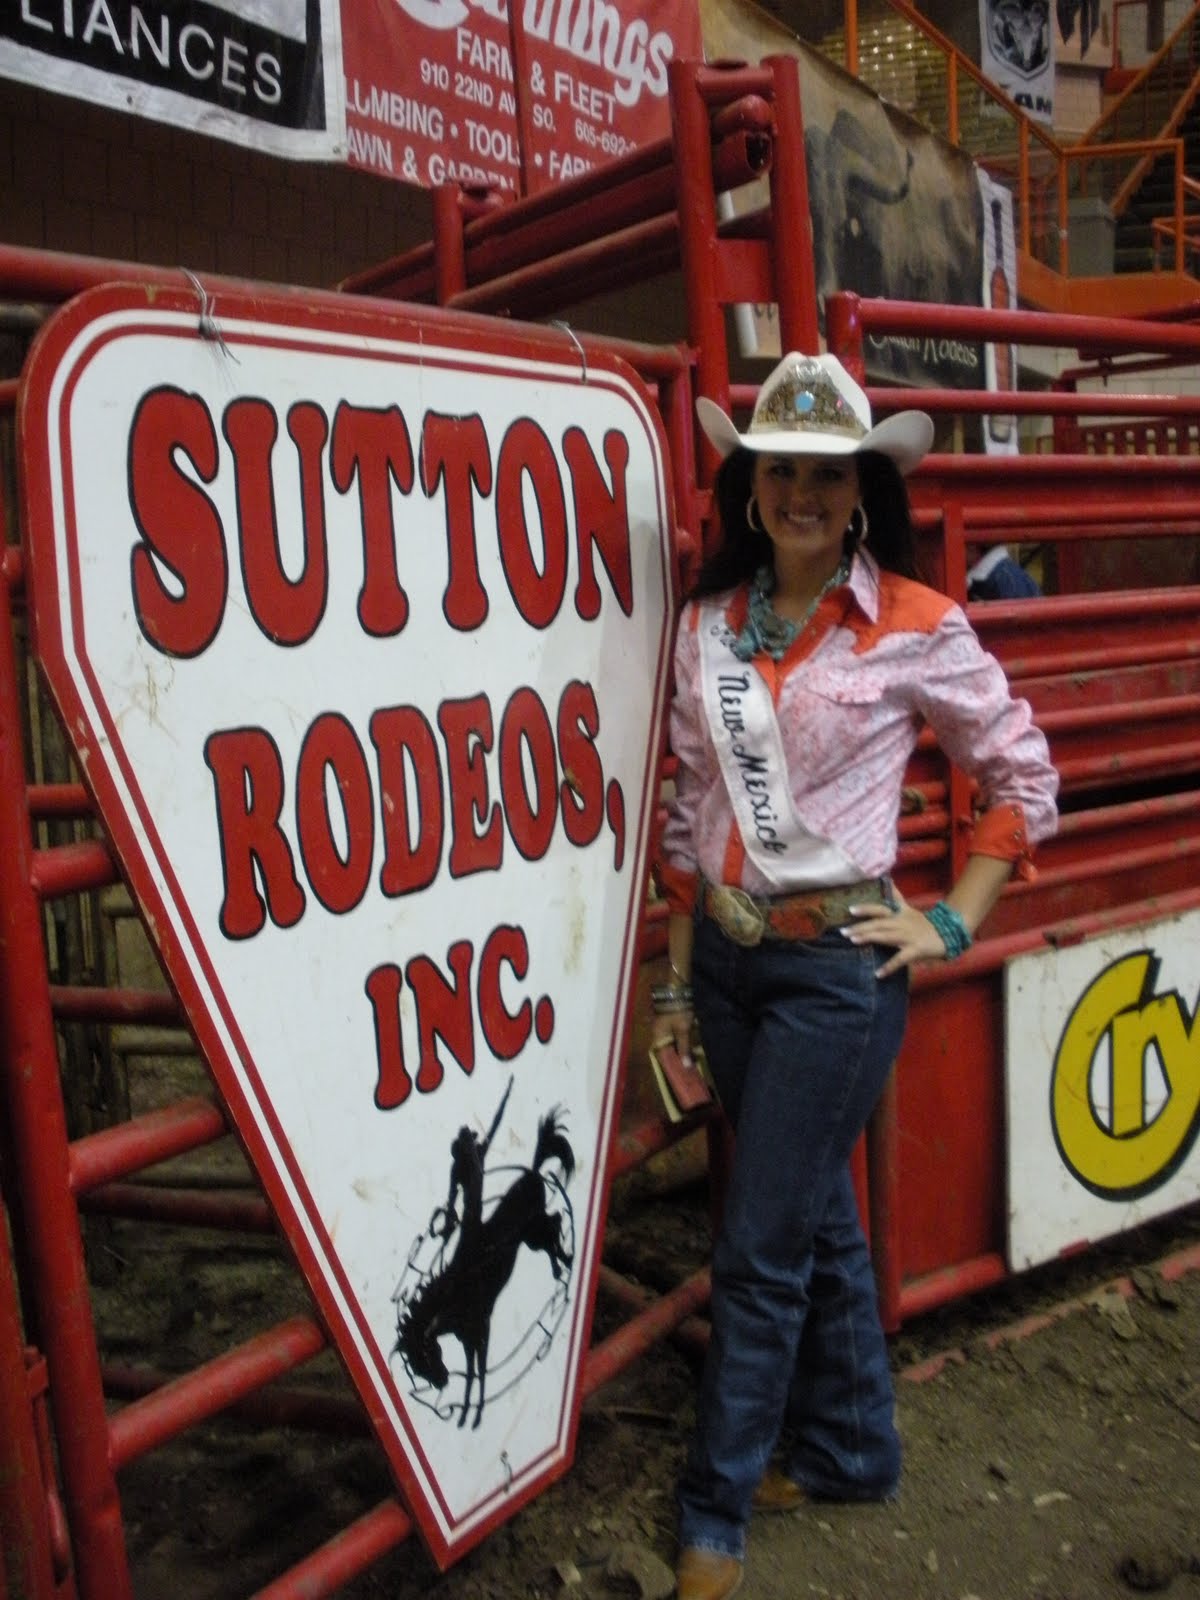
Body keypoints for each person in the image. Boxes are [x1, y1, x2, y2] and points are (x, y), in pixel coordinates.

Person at [652, 352, 1059, 1600]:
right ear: (751, 484)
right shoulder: (706, 626)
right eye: (783, 469)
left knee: (760, 1243)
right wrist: (676, 983)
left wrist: (951, 923)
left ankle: (715, 1509)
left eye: (830, 475)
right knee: (814, 1214)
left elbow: (1022, 773)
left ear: (863, 492)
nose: (804, 493)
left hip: (837, 973)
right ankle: (852, 1448)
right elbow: (689, 806)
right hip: (727, 964)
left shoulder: (919, 624)